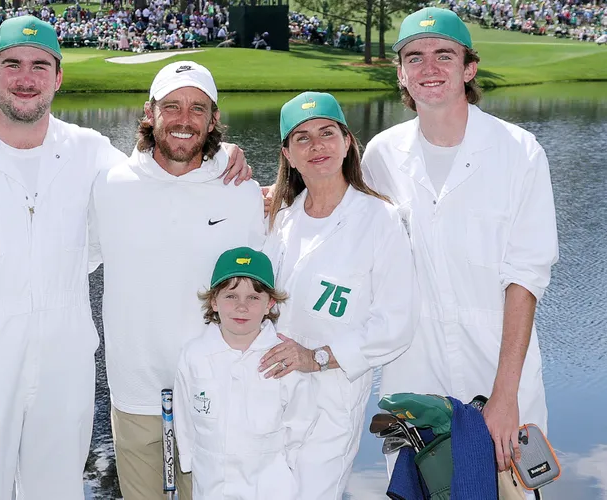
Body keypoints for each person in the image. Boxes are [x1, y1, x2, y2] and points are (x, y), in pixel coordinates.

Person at [0, 17, 249, 499]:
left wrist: (218, 153)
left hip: (65, 364)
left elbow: (161, 173)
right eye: (13, 65)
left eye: (40, 66)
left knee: (58, 489)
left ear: (58, 77)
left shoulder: (89, 151)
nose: (26, 78)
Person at [362, 6, 559, 482]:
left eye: (444, 55)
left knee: (509, 490)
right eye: (414, 57)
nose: (428, 67)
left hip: (496, 368)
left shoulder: (519, 152)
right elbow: (336, 215)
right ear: (401, 74)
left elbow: (525, 278)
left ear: (469, 68)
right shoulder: (381, 155)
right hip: (414, 370)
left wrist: (505, 395)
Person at [89, 60, 266, 500]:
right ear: (149, 112)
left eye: (197, 108)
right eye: (171, 106)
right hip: (134, 392)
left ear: (214, 119)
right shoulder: (110, 184)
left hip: (215, 391)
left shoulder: (240, 190)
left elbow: (260, 293)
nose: (184, 120)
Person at [258, 91, 418, 499]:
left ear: (347, 142)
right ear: (288, 155)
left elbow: (395, 324)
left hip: (331, 399)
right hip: (267, 392)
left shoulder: (380, 219)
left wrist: (316, 358)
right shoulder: (279, 220)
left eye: (327, 133)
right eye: (303, 138)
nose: (317, 146)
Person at [174, 247, 316, 499]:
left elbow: (300, 420)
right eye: (231, 296)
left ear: (269, 304)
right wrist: (188, 459)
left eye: (253, 297)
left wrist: (288, 466)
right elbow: (184, 416)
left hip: (270, 486)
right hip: (211, 484)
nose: (242, 307)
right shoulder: (194, 355)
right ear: (214, 301)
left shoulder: (283, 357)